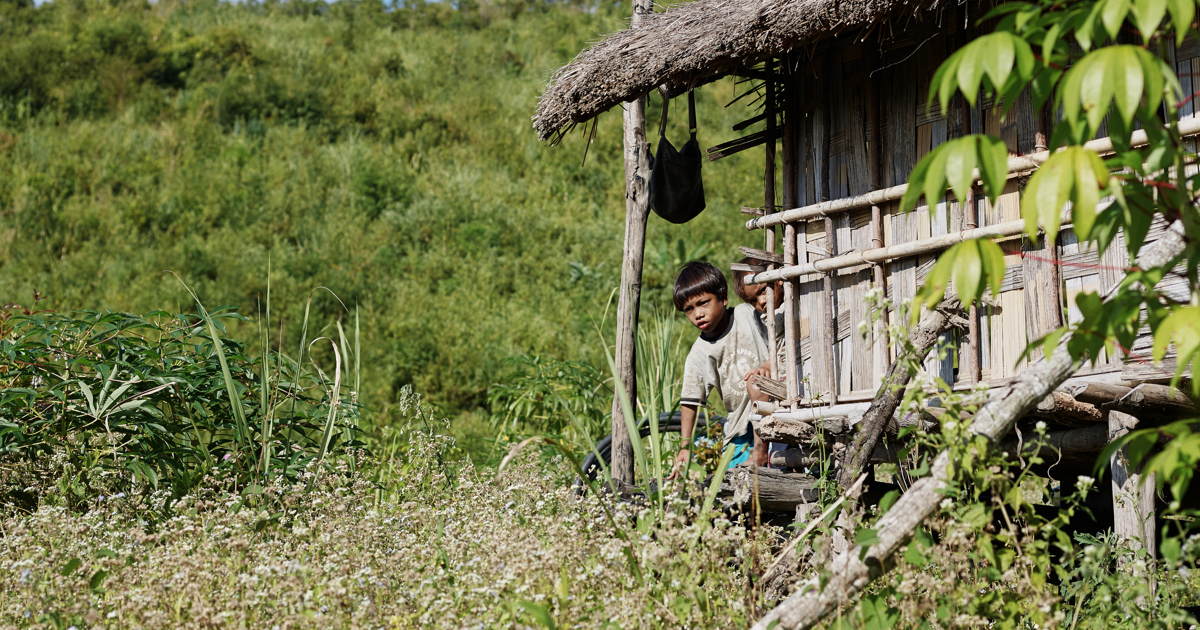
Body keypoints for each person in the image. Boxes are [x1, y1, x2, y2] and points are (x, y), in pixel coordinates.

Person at [668, 261, 772, 479]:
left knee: (757, 381)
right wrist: (685, 446)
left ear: (723, 298)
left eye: (703, 303)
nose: (697, 314)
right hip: (740, 431)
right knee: (734, 488)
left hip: (773, 414)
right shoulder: (699, 354)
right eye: (689, 309)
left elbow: (779, 334)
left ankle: (762, 452)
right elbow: (690, 401)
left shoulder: (747, 315)